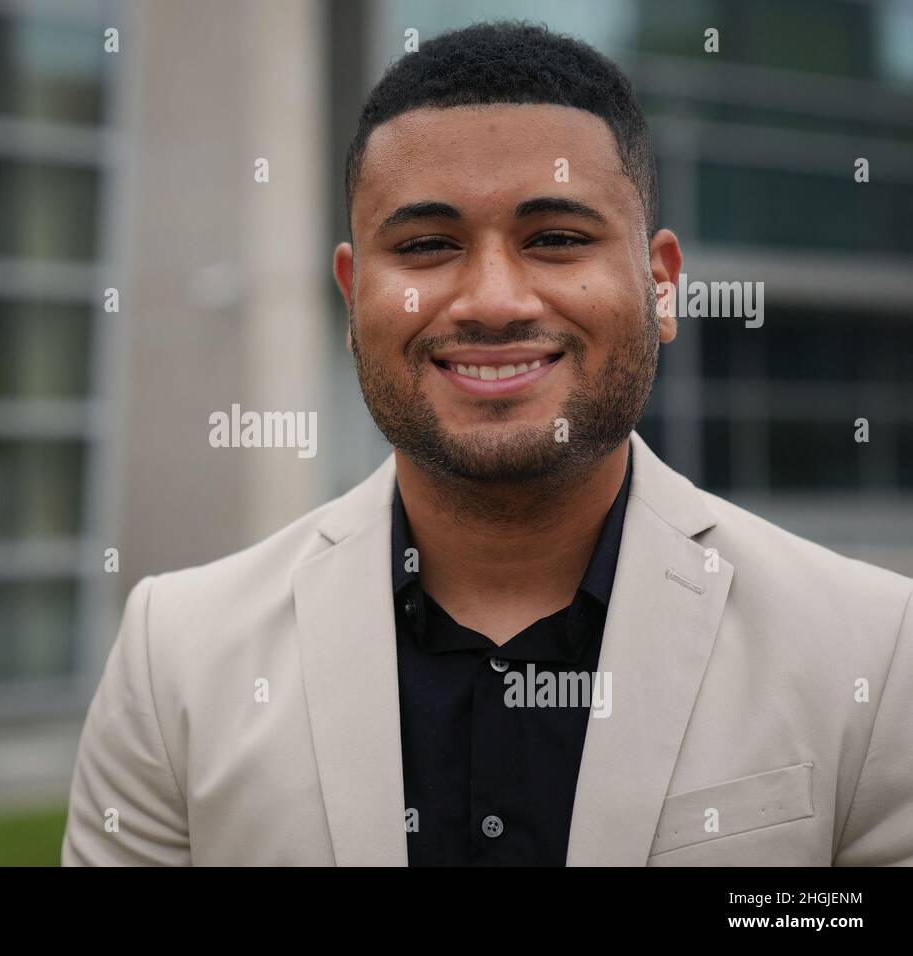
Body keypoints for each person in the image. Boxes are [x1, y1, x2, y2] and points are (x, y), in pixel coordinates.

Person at [61, 21, 913, 866]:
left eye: (556, 239)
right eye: (428, 246)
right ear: (355, 296)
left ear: (661, 285)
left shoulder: (873, 650)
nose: (495, 301)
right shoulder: (176, 655)